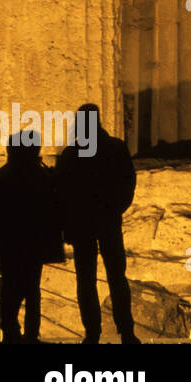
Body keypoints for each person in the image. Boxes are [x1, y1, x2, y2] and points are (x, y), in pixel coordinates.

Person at [55, 104, 140, 344]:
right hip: (108, 221)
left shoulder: (71, 155)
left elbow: (61, 193)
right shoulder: (115, 148)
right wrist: (114, 209)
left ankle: (92, 333)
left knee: (85, 281)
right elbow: (128, 184)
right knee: (117, 277)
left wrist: (68, 222)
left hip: (82, 225)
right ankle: (126, 331)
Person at [0, 135, 65, 343]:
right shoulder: (41, 177)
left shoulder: (0, 177)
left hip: (7, 245)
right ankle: (31, 334)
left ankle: (10, 331)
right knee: (32, 290)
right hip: (34, 244)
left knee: (8, 289)